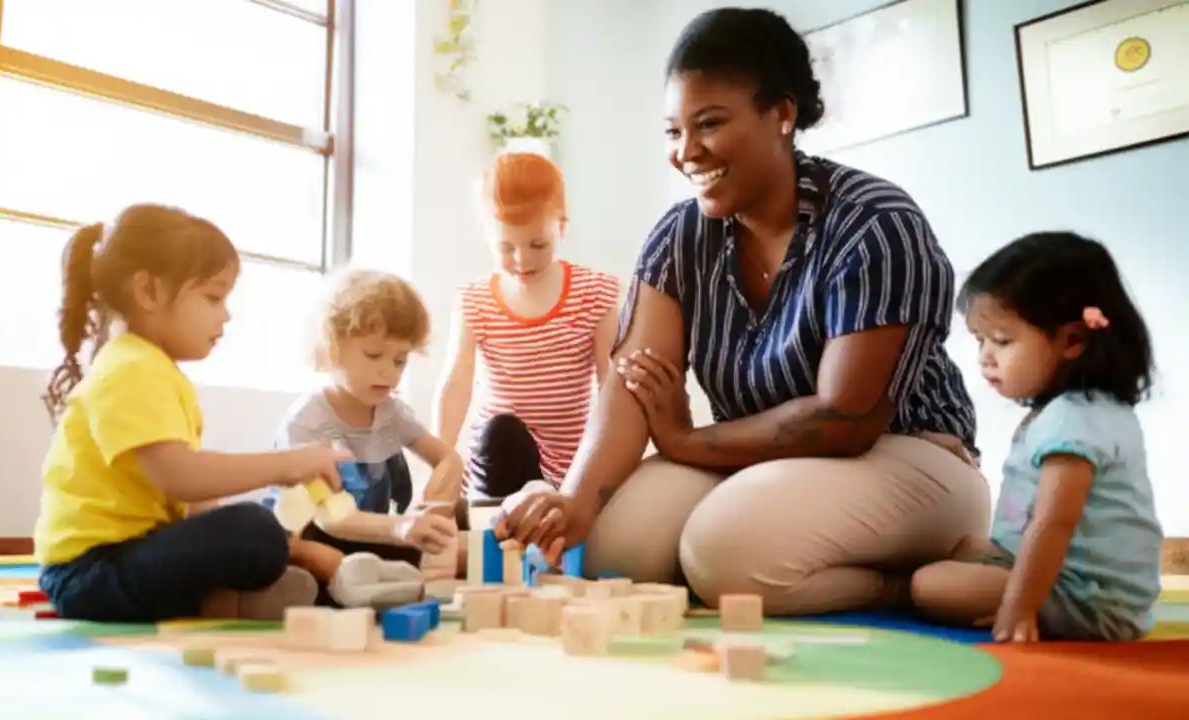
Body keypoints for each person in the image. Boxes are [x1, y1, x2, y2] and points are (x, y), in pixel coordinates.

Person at [495, 7, 990, 616]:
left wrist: (685, 440)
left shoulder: (875, 224)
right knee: (613, 552)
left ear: (782, 114)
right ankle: (777, 568)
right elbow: (632, 387)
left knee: (723, 556)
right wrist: (574, 500)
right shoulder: (681, 236)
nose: (686, 152)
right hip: (754, 465)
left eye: (709, 124)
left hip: (910, 454)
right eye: (673, 132)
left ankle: (917, 583)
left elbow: (844, 421)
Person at [35, 203, 345, 623]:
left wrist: (286, 544)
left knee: (252, 531)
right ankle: (225, 600)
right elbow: (179, 475)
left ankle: (233, 599)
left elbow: (194, 501)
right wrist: (288, 465)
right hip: (90, 575)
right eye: (213, 297)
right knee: (254, 529)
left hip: (131, 555)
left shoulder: (156, 369)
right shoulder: (129, 367)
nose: (227, 314)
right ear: (148, 292)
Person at [911, 232, 1162, 642]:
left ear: (1073, 341)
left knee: (928, 584)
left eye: (1002, 341)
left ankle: (1025, 602)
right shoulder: (1078, 410)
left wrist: (1018, 607)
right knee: (963, 547)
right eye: (980, 341)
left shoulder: (1073, 419)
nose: (985, 357)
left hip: (1086, 600)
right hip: (1061, 576)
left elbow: (1053, 523)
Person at [433, 152, 620, 501]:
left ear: (561, 228)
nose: (522, 260)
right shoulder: (475, 300)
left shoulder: (595, 294)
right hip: (497, 465)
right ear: (486, 235)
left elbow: (611, 384)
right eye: (506, 247)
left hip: (570, 473)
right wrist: (440, 461)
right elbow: (456, 382)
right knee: (501, 432)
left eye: (538, 244)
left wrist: (613, 467)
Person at [274, 268, 462, 607]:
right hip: (318, 536)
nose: (388, 371)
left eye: (400, 360)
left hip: (373, 535)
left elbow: (448, 458)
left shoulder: (392, 413)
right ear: (332, 348)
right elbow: (330, 517)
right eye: (374, 355)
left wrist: (434, 508)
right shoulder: (308, 423)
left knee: (427, 553)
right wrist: (402, 526)